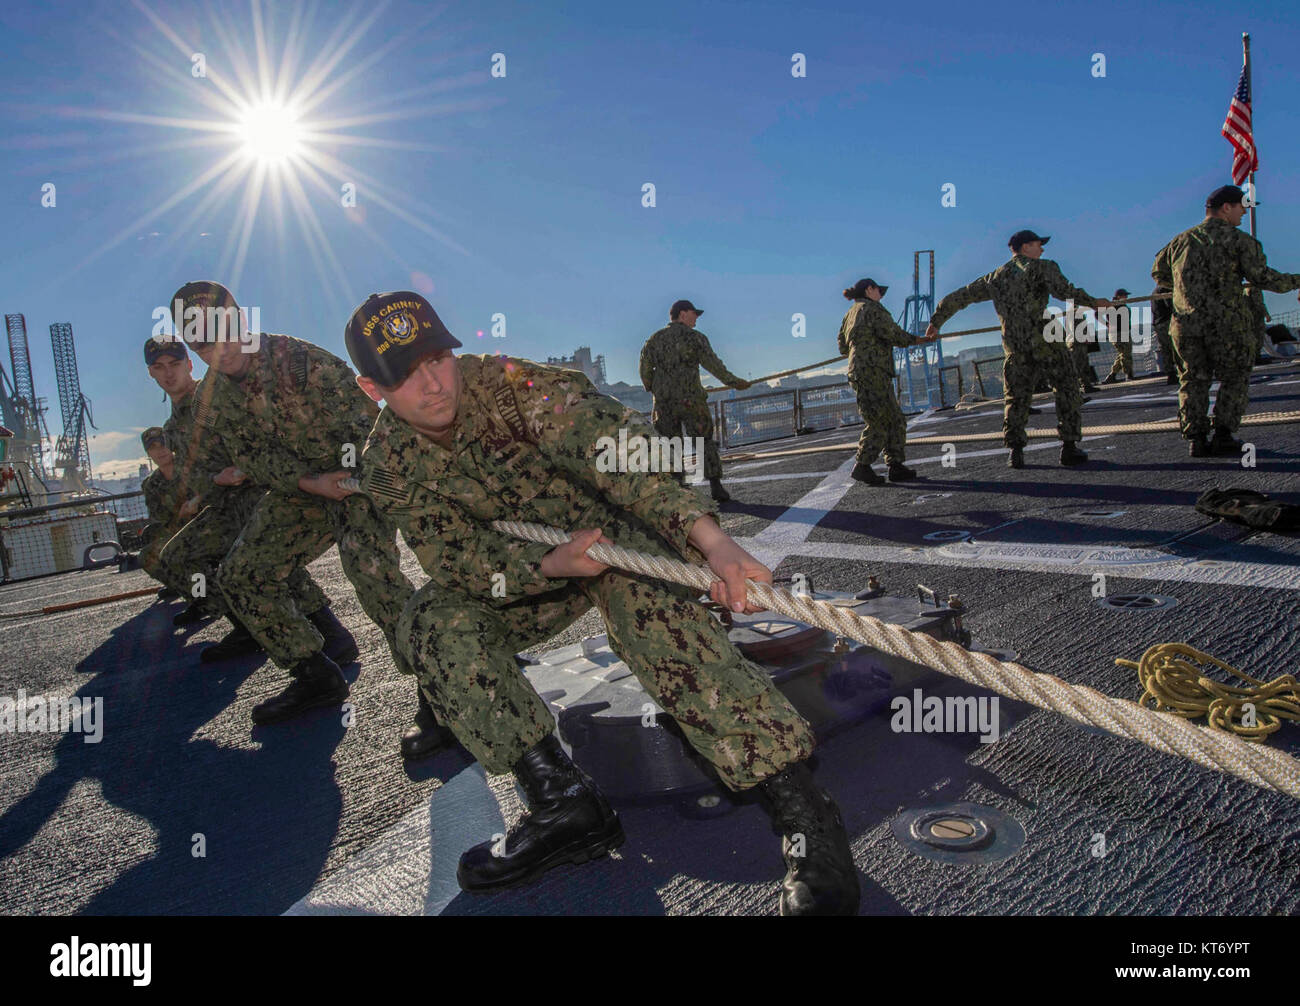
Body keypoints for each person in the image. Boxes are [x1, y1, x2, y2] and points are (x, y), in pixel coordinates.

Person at [348, 290, 860, 916]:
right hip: (534, 570)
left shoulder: (514, 386)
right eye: (405, 376)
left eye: (437, 358)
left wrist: (714, 544)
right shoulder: (385, 464)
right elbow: (454, 558)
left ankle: (803, 812)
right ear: (372, 390)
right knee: (431, 622)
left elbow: (624, 451)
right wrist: (550, 564)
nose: (432, 385)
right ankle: (563, 803)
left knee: (649, 611)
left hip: (615, 535)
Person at [166, 283, 448, 755]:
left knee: (372, 575)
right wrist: (310, 483)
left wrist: (358, 481)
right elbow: (252, 458)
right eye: (203, 343)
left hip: (359, 476)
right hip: (303, 488)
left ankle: (441, 695)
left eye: (226, 331)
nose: (222, 349)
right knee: (242, 575)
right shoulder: (209, 401)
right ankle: (314, 673)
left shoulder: (298, 361)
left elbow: (372, 426)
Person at [926, 230, 1111, 468]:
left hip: (1015, 346)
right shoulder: (1043, 267)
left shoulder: (995, 278)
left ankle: (1015, 451)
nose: (1041, 249)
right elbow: (1065, 292)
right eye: (1037, 245)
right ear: (1025, 247)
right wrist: (1095, 302)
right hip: (1047, 342)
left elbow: (961, 297)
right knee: (1067, 388)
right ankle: (1069, 447)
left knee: (1016, 398)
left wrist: (936, 322)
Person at [1151, 185, 1300, 457]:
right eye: (1241, 206)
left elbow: (1159, 273)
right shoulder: (1239, 240)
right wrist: (1296, 281)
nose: (1244, 212)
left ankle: (1195, 438)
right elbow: (1263, 277)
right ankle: (1223, 433)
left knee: (1193, 380)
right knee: (1235, 376)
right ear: (1226, 208)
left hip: (1186, 324)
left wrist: (1191, 289)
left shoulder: (1179, 242)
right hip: (1226, 324)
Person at [639, 299, 751, 503]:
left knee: (670, 443)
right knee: (704, 440)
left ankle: (678, 487)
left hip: (664, 403)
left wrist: (655, 388)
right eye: (694, 314)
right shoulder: (695, 338)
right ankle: (716, 487)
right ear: (683, 314)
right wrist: (734, 382)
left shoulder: (654, 340)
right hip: (691, 399)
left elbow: (645, 371)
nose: (696, 319)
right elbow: (714, 365)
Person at [837, 278, 936, 484]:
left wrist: (860, 348)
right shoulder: (873, 309)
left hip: (864, 370)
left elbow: (842, 346)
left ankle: (895, 465)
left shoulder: (850, 314)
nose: (880, 296)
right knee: (879, 420)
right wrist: (919, 340)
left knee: (895, 419)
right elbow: (893, 334)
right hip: (872, 370)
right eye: (878, 291)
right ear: (869, 289)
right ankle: (862, 465)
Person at [136, 426, 197, 593]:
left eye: (162, 445)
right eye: (152, 448)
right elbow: (159, 518)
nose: (159, 451)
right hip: (177, 531)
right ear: (148, 454)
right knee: (147, 556)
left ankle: (203, 597)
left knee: (194, 553)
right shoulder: (151, 484)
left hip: (205, 525)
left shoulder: (193, 468)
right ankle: (179, 585)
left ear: (172, 446)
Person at [1101, 289, 1135, 383]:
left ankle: (1112, 375)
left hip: (1121, 332)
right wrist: (1107, 324)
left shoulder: (1117, 305)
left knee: (1123, 354)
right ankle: (1128, 374)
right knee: (1125, 354)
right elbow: (1097, 313)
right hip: (1119, 333)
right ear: (1119, 296)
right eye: (1125, 295)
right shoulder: (1113, 305)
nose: (1126, 297)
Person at [1149, 277, 1179, 385]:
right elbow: (1170, 305)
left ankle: (1170, 373)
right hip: (1167, 322)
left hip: (1158, 323)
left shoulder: (1154, 292)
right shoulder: (1164, 290)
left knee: (1165, 349)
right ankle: (1181, 371)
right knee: (1176, 347)